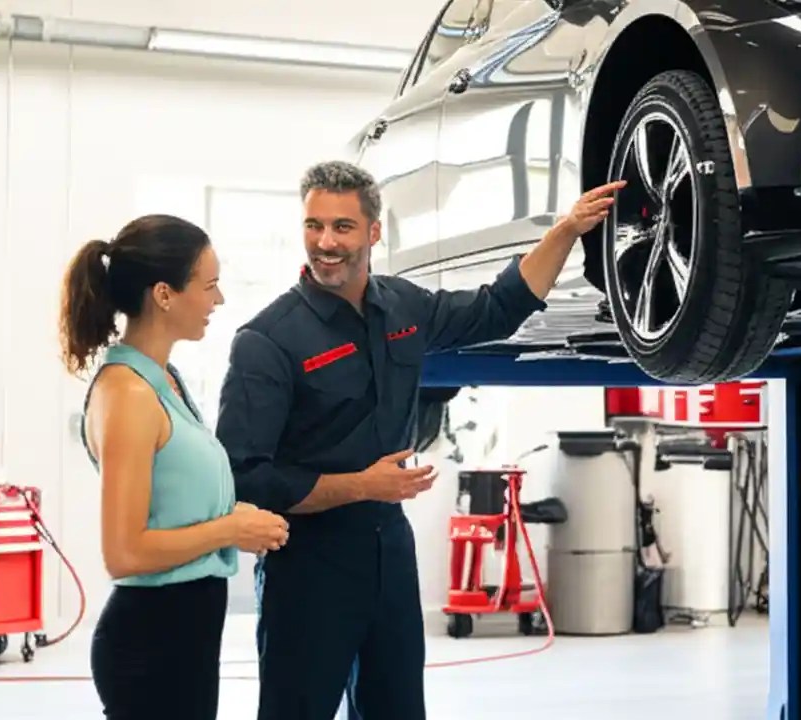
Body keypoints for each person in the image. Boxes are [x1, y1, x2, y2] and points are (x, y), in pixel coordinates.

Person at [214, 160, 625, 720]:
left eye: (342, 227)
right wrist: (362, 485)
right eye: (314, 226)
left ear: (374, 232)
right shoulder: (266, 341)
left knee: (398, 709)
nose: (325, 243)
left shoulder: (402, 308)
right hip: (307, 564)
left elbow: (497, 308)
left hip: (388, 551)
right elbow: (245, 477)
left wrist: (566, 231)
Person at [58, 214, 291, 720]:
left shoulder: (168, 381)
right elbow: (124, 553)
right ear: (164, 294)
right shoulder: (127, 394)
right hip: (151, 640)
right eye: (208, 286)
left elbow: (175, 506)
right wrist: (230, 528)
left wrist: (236, 516)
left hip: (188, 632)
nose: (218, 300)